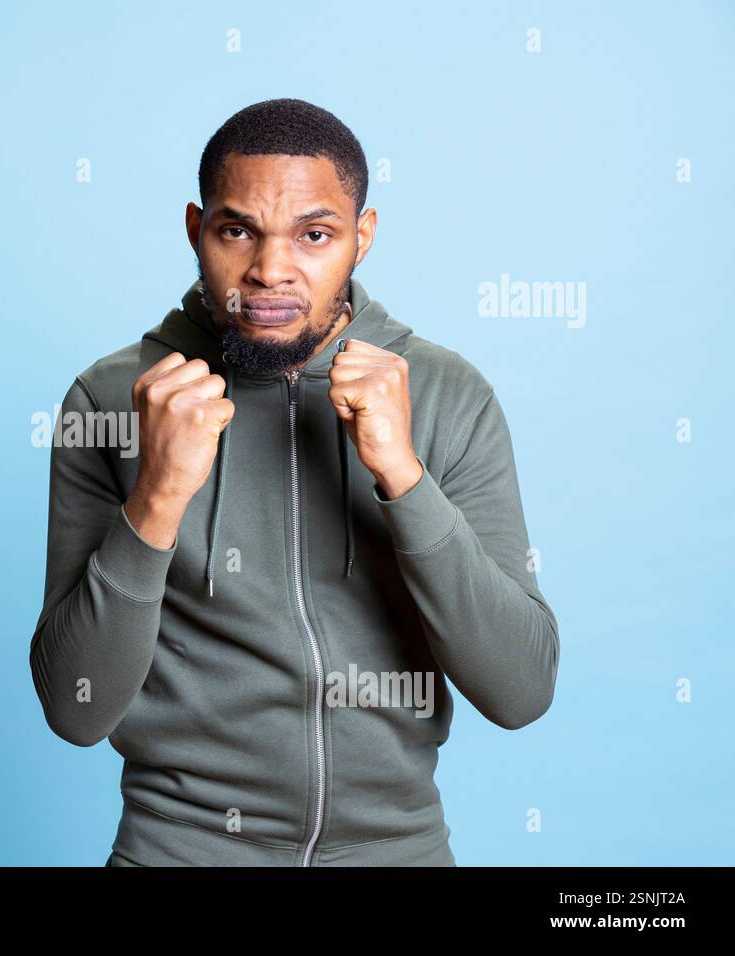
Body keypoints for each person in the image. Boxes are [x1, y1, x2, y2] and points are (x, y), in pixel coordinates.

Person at [29, 98, 559, 866]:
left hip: (399, 850)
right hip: (179, 850)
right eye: (237, 229)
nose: (271, 270)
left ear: (362, 239)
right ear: (195, 230)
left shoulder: (446, 394)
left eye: (314, 235)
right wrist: (158, 496)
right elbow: (74, 708)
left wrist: (402, 477)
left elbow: (521, 691)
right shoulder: (116, 399)